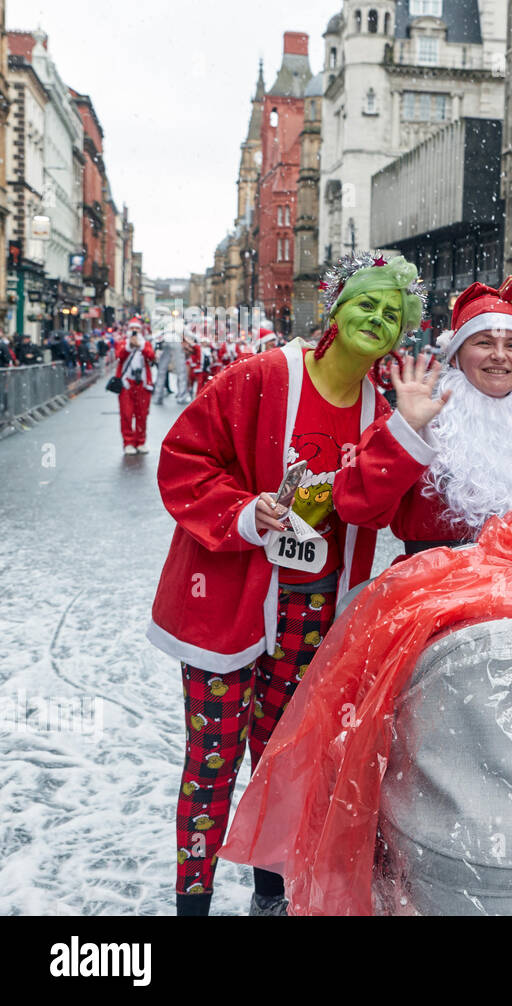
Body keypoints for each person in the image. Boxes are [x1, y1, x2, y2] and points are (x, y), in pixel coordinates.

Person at [148, 253, 447, 916]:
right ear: (334, 307)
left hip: (315, 612)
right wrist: (246, 512)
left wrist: (406, 429)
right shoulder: (262, 377)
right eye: (367, 304)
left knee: (287, 765)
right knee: (211, 764)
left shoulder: (381, 409)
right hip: (229, 604)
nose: (378, 319)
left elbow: (368, 508)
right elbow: (183, 460)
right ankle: (190, 907)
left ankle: (271, 898)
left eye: (392, 314)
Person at [390, 276, 512, 554]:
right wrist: (404, 433)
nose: (500, 355)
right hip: (434, 588)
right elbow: (359, 509)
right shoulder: (421, 422)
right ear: (455, 356)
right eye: (484, 343)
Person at [115, 325, 156, 455]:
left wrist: (140, 346)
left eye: (137, 329)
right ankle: (128, 442)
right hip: (126, 384)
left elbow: (151, 356)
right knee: (126, 414)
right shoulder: (123, 343)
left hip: (142, 384)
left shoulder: (146, 344)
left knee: (142, 414)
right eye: (132, 329)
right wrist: (130, 346)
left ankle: (141, 442)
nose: (135, 331)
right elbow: (119, 356)